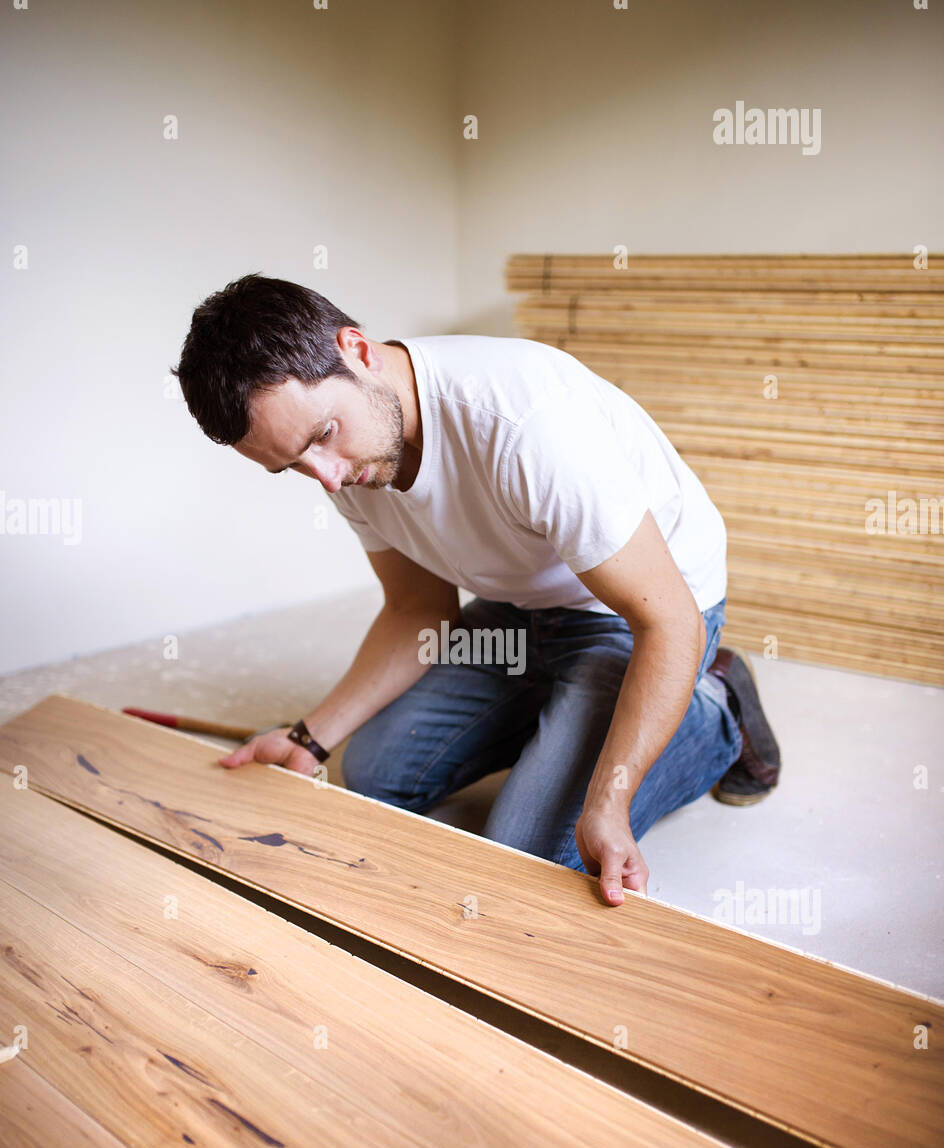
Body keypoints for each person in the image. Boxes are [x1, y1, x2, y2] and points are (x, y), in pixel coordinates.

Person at [171, 274, 780, 906]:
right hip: (520, 619)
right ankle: (565, 714)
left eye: (321, 436)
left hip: (635, 617)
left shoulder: (528, 421)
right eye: (290, 466)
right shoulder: (352, 459)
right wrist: (307, 737)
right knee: (375, 772)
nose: (326, 479)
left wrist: (609, 799)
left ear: (356, 349)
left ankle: (716, 708)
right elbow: (417, 610)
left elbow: (670, 622)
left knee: (533, 857)